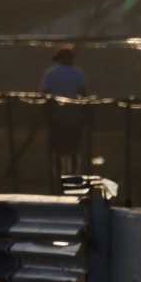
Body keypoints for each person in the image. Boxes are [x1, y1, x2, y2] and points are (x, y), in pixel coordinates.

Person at [41, 46, 90, 183]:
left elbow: (45, 93)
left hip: (56, 115)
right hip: (74, 114)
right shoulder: (78, 73)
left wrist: (46, 111)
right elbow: (83, 92)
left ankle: (57, 174)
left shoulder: (50, 73)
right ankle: (74, 172)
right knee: (74, 146)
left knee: (57, 146)